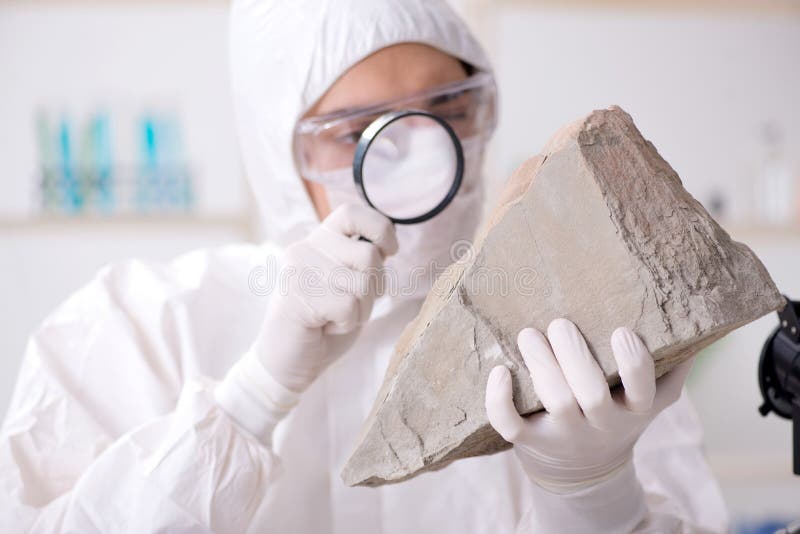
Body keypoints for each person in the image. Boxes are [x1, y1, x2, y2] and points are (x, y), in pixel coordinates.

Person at [0, 0, 729, 532]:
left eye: (449, 105)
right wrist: (254, 396)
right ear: (280, 153)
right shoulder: (138, 324)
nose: (419, 147)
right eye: (357, 130)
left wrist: (593, 495)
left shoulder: (590, 317)